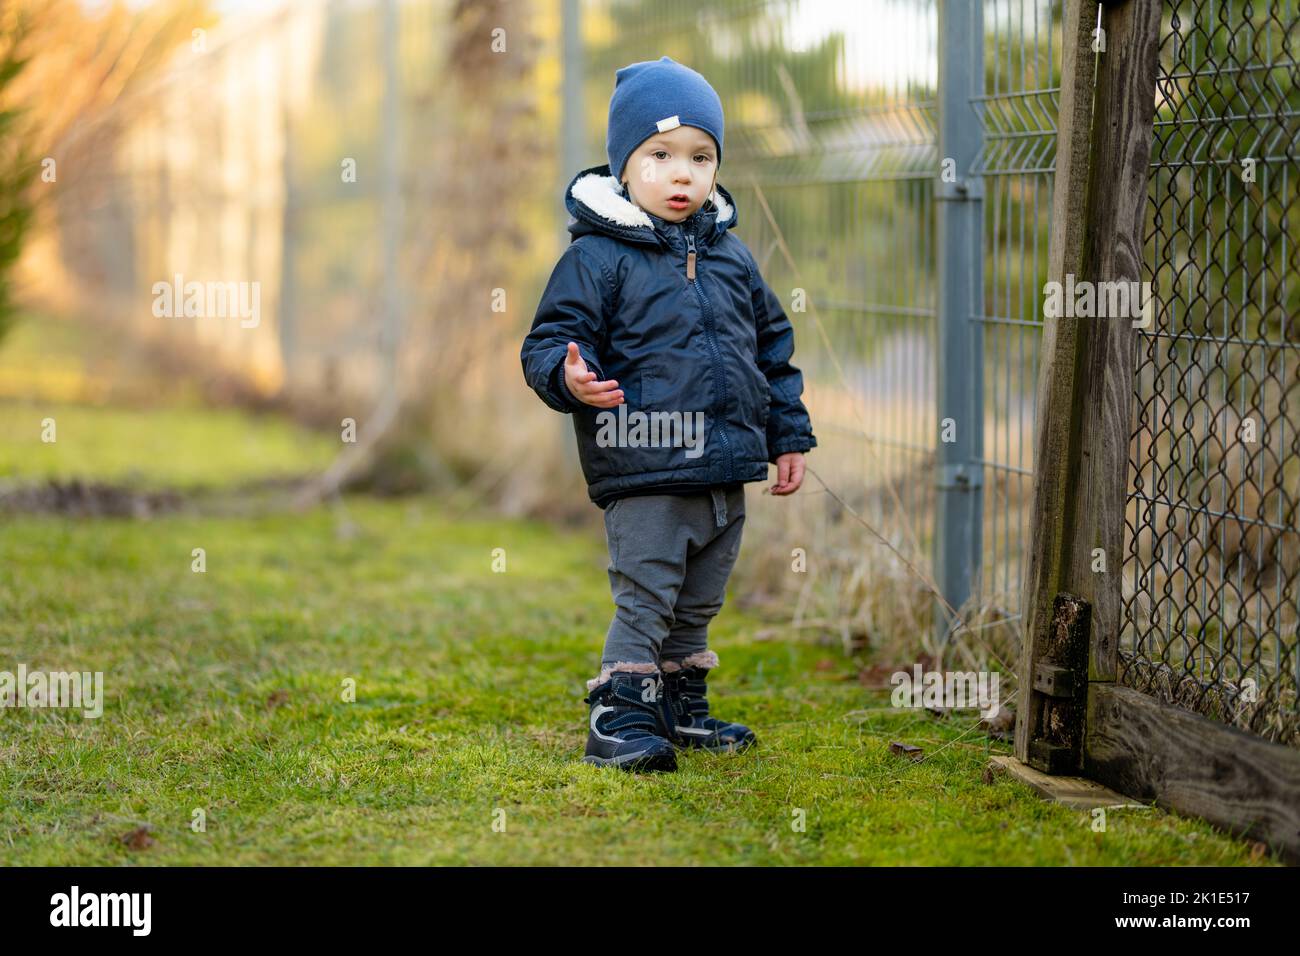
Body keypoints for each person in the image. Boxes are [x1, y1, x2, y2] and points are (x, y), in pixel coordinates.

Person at [521, 56, 816, 772]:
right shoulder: (599, 257)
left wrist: (788, 434)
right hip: (645, 461)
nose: (682, 174)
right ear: (624, 166)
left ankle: (680, 704)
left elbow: (773, 350)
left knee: (699, 598)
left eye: (700, 157)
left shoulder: (734, 258)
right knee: (649, 593)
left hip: (725, 467)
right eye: (660, 155)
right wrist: (570, 378)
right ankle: (620, 712)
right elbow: (549, 342)